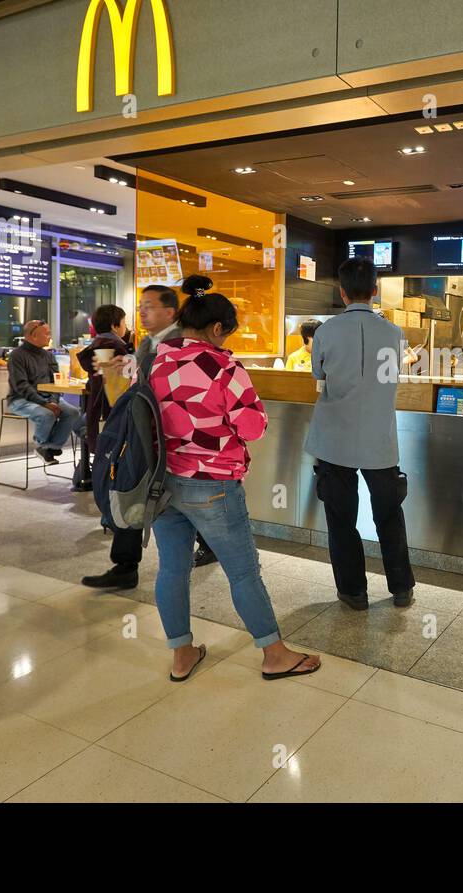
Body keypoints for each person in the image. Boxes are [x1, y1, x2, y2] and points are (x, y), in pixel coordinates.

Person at [148, 275, 321, 682]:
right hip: (212, 484)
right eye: (227, 335)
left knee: (172, 570)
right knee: (243, 571)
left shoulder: (155, 360)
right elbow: (253, 427)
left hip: (160, 481)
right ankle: (274, 654)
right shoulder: (223, 365)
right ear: (217, 329)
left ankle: (181, 654)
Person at [83, 286, 214, 590]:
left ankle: (209, 542)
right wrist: (124, 370)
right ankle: (125, 565)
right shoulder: (144, 342)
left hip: (172, 434)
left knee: (178, 494)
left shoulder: (183, 342)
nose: (142, 312)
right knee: (131, 486)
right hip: (143, 431)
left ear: (170, 312)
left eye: (150, 306)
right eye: (140, 306)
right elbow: (142, 382)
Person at [306, 258, 415, 610]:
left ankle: (353, 592)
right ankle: (401, 589)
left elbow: (318, 374)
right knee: (388, 515)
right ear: (375, 289)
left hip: (334, 440)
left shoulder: (324, 332)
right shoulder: (395, 333)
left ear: (340, 292)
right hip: (380, 443)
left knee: (341, 519)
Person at [5, 319, 85, 464]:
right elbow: (21, 386)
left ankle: (51, 447)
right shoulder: (17, 356)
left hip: (48, 398)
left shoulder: (49, 356)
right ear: (33, 335)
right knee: (47, 415)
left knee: (73, 412)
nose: (50, 337)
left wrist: (53, 401)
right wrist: (45, 403)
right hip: (21, 400)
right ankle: (40, 444)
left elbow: (56, 382)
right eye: (47, 334)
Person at [73, 304, 131, 491]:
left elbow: (94, 382)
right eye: (124, 322)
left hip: (96, 412)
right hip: (114, 411)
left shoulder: (94, 348)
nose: (126, 327)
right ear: (115, 326)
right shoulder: (115, 348)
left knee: (103, 452)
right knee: (116, 456)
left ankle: (100, 485)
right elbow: (126, 382)